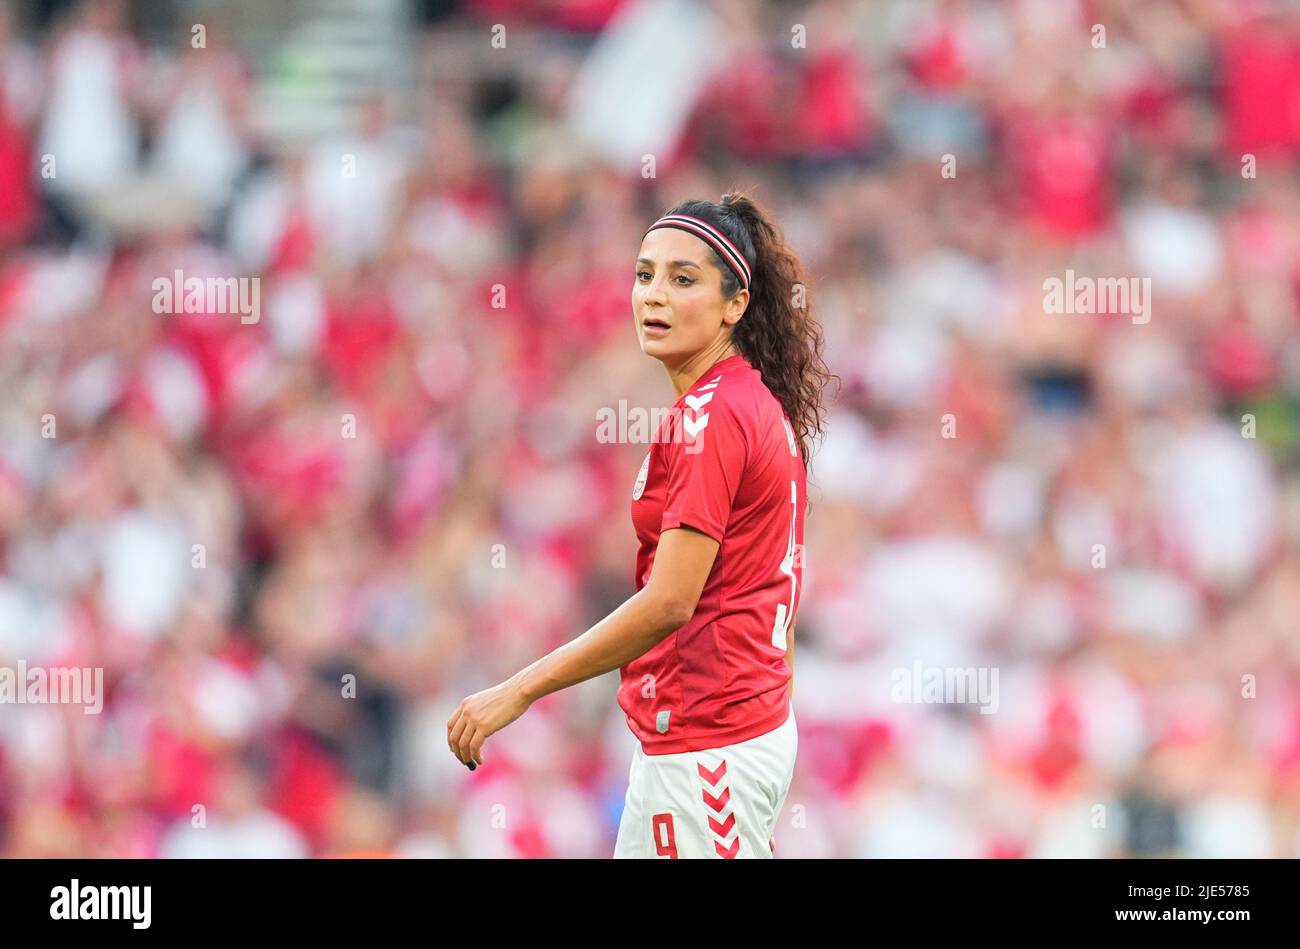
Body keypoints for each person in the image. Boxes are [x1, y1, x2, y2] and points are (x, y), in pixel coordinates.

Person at [447, 191, 834, 858]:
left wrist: (517, 690)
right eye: (644, 274)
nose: (653, 295)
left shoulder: (711, 417)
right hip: (722, 740)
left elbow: (670, 601)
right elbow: (776, 593)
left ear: (734, 303)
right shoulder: (751, 403)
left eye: (683, 279)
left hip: (706, 747)